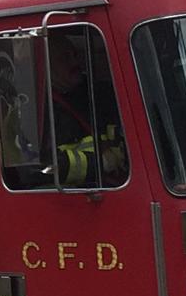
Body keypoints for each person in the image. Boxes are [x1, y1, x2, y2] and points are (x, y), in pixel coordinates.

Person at [45, 33, 127, 188]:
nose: (75, 62)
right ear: (45, 65)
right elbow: (38, 169)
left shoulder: (103, 94)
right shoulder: (35, 113)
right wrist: (100, 163)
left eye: (75, 55)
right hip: (74, 199)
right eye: (64, 58)